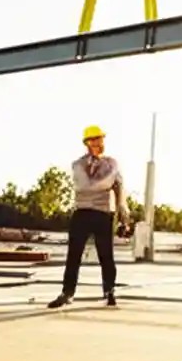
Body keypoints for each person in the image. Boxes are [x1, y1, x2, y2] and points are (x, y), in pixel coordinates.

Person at [48, 125, 132, 309]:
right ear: (87, 143)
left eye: (101, 140)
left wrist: (123, 217)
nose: (99, 143)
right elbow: (85, 186)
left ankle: (109, 291)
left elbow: (120, 191)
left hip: (103, 213)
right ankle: (67, 293)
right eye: (94, 140)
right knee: (74, 255)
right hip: (82, 212)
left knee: (106, 256)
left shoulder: (112, 163)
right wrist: (107, 182)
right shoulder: (78, 164)